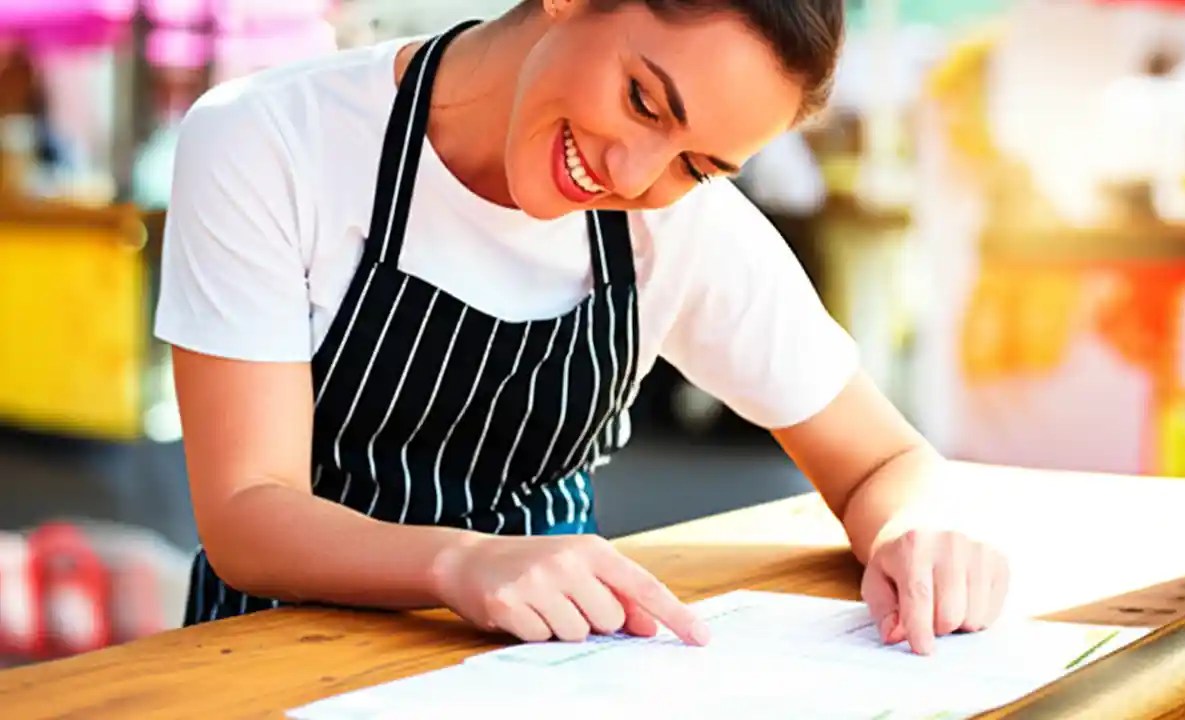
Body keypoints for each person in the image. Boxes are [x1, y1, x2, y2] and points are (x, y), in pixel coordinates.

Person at [155, 0, 1009, 657]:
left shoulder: (681, 229)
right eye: (642, 100)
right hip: (268, 664)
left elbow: (888, 462)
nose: (632, 174)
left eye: (697, 163)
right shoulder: (270, 141)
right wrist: (464, 563)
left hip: (546, 672)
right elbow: (247, 515)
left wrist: (915, 532)